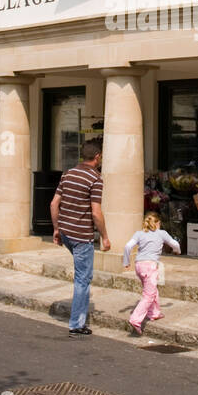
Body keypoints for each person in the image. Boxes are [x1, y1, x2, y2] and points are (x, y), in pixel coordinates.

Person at [50, 138, 109, 336]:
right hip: (82, 236)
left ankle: (78, 318)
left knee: (81, 275)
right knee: (83, 279)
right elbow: (96, 213)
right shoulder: (95, 178)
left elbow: (53, 204)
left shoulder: (67, 174)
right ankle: (76, 323)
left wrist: (57, 229)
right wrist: (105, 237)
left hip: (66, 232)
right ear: (97, 157)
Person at [122, 211, 180, 336]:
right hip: (150, 267)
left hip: (139, 266)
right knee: (149, 294)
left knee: (151, 289)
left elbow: (127, 246)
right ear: (158, 223)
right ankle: (135, 319)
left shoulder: (139, 233)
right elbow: (175, 243)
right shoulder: (161, 233)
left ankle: (154, 312)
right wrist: (177, 251)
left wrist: (126, 262)